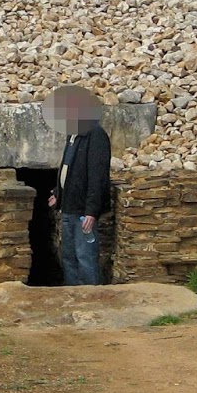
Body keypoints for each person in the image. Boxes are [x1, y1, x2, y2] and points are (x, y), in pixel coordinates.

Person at [43, 85, 112, 286]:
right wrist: (58, 193)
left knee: (85, 258)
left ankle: (89, 299)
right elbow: (68, 170)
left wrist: (92, 211)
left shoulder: (95, 134)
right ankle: (71, 296)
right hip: (68, 208)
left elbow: (97, 177)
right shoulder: (72, 135)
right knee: (69, 258)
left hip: (82, 210)